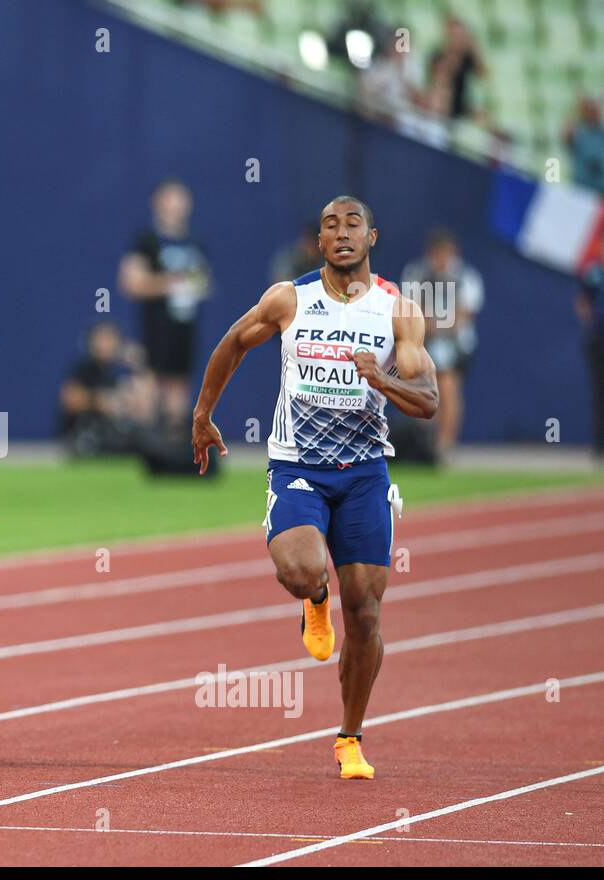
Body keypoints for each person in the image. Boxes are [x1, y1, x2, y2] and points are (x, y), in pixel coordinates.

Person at [191, 196, 438, 780]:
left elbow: (428, 400)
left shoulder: (398, 311)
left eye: (353, 224)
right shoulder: (289, 300)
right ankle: (314, 601)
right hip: (298, 466)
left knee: (369, 615)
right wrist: (203, 414)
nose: (342, 233)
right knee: (301, 571)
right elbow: (231, 342)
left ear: (372, 236)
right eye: (331, 225)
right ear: (319, 242)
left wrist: (380, 378)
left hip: (364, 474)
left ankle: (349, 736)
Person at [118, 178, 210, 424]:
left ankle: (174, 445)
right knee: (149, 384)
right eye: (172, 199)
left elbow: (204, 281)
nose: (178, 206)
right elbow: (131, 282)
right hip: (155, 328)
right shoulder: (147, 241)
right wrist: (170, 282)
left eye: (182, 200)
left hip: (184, 328)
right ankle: (146, 443)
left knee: (179, 388)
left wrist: (197, 285)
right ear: (158, 203)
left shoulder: (194, 244)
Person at [401, 228, 484, 457]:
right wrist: (430, 326)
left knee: (448, 387)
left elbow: (463, 316)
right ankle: (425, 444)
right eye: (437, 254)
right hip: (424, 342)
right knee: (424, 391)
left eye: (445, 254)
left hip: (457, 345)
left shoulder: (466, 276)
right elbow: (412, 312)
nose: (441, 260)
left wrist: (435, 325)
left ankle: (445, 445)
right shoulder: (417, 273)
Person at [59, 320, 155, 455]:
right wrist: (100, 401)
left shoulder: (123, 370)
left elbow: (147, 410)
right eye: (102, 339)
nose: (106, 345)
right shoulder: (84, 368)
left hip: (118, 435)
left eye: (110, 339)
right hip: (85, 435)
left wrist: (140, 366)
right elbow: (70, 400)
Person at [577, 246, 604, 461]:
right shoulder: (594, 272)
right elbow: (583, 301)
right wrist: (592, 323)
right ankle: (599, 445)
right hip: (599, 338)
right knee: (600, 392)